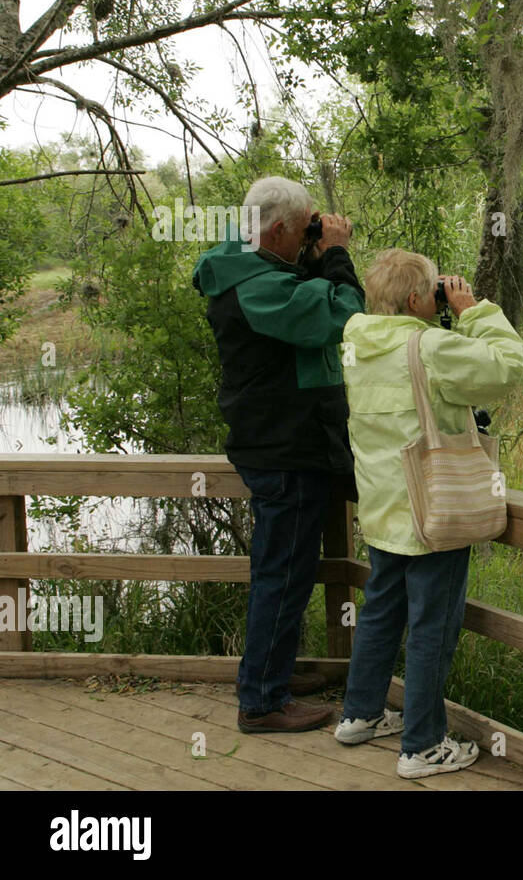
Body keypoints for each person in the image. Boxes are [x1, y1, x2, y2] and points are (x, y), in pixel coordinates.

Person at [332, 249, 523, 778]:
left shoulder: (356, 340)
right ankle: (422, 746)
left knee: (378, 613)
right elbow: (510, 367)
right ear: (418, 299)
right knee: (431, 627)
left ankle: (360, 714)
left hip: (383, 508)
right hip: (433, 509)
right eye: (431, 290)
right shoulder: (430, 346)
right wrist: (473, 310)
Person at [191, 176, 365, 733]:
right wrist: (335, 254)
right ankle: (262, 701)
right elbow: (340, 315)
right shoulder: (258, 288)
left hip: (279, 443)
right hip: (284, 448)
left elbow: (293, 289)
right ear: (279, 229)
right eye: (303, 227)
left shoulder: (246, 262)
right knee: (283, 574)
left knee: (284, 569)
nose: (309, 237)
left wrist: (310, 249)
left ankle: (272, 673)